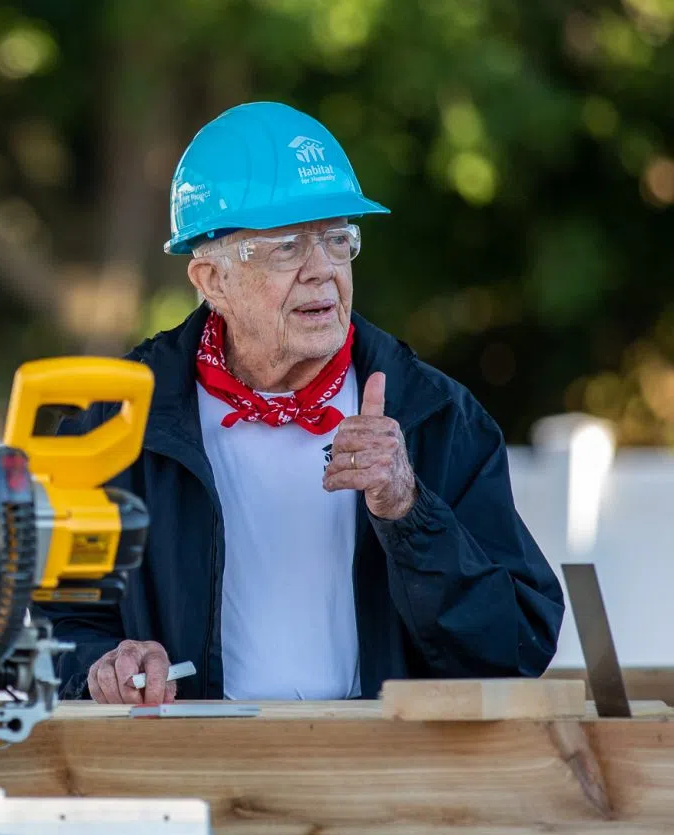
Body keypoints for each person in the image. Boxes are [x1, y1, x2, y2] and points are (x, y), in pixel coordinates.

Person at [42, 101, 564, 704]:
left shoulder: (437, 415)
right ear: (212, 281)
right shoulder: (115, 421)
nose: (323, 271)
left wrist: (409, 509)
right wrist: (107, 664)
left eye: (338, 240)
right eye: (287, 247)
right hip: (189, 759)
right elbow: (54, 629)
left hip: (384, 760)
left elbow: (516, 650)